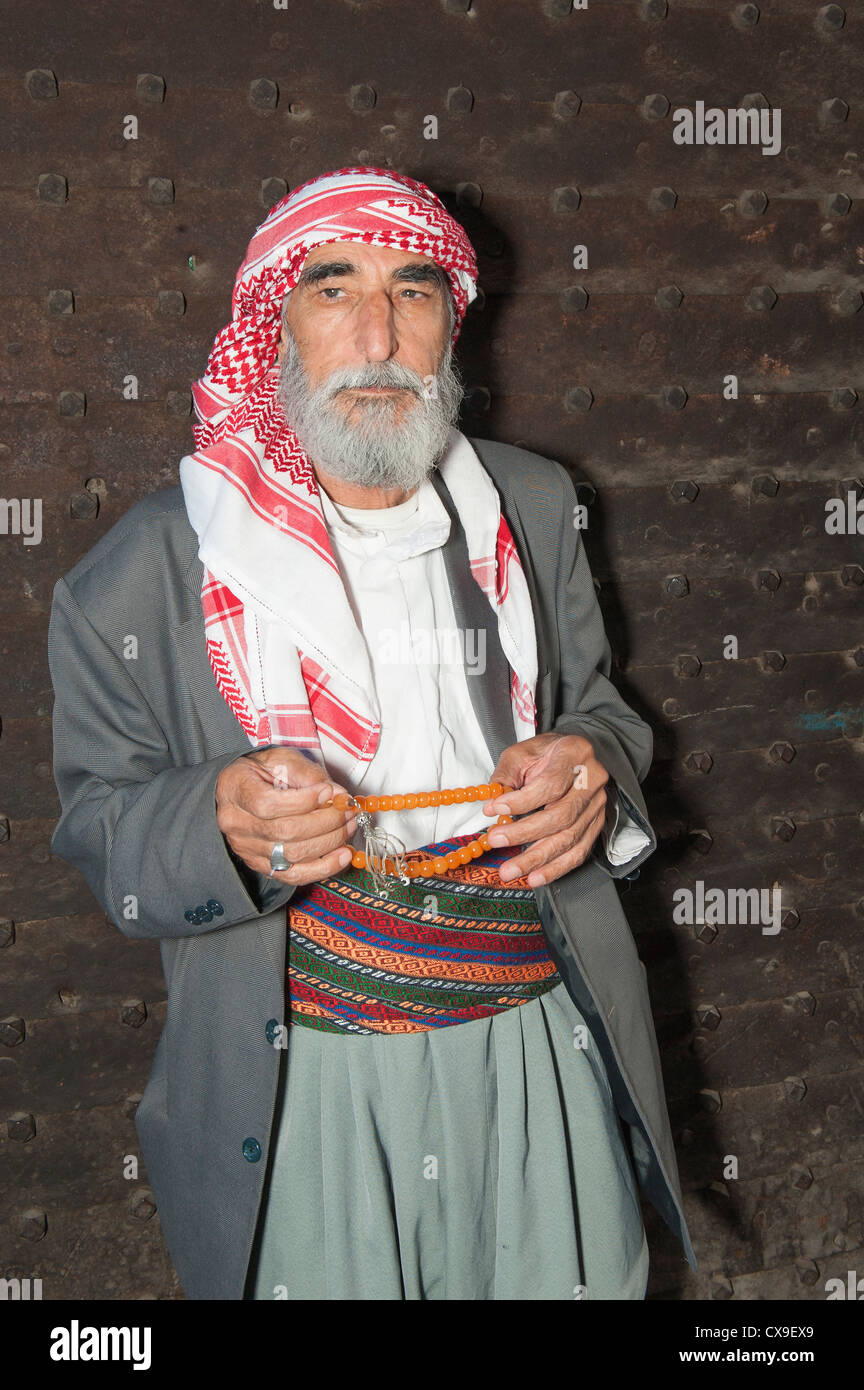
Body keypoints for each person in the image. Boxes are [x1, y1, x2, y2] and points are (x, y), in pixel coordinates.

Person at [47, 166, 696, 1300]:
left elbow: (604, 716)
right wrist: (215, 820)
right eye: (332, 289)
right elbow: (101, 828)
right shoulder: (152, 566)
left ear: (454, 324)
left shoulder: (534, 506)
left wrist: (594, 769)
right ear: (275, 326)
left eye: (415, 291)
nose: (379, 334)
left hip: (536, 1038)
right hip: (307, 1075)